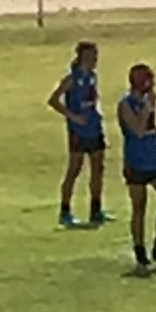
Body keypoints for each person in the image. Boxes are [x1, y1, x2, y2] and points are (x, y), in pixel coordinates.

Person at [115, 63, 156, 272]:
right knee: (139, 207)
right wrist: (147, 107)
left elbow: (152, 128)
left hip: (153, 156)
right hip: (136, 159)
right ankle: (140, 249)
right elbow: (138, 129)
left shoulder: (146, 102)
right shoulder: (126, 104)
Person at [48, 39, 107, 228]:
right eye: (91, 56)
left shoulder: (93, 76)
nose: (94, 59)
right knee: (74, 169)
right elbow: (53, 100)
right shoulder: (71, 79)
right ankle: (65, 211)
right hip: (78, 131)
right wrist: (73, 117)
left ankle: (96, 210)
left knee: (98, 169)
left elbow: (93, 98)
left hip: (94, 128)